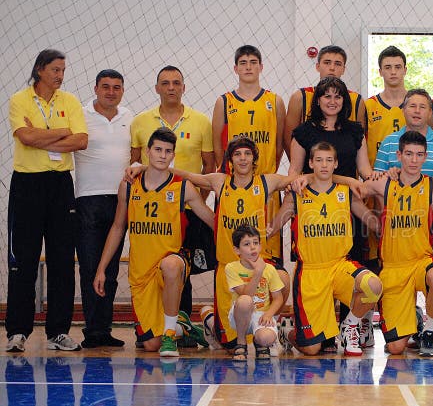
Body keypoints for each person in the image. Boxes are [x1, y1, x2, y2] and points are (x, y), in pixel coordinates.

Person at [127, 135, 292, 351]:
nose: (242, 159)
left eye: (247, 154)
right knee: (228, 344)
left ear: (254, 159)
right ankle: (208, 318)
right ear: (230, 160)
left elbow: (302, 180)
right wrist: (143, 167)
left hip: (255, 264)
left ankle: (270, 325)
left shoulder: (266, 181)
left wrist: (276, 224)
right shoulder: (219, 181)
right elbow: (186, 174)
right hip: (228, 268)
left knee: (282, 278)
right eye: (237, 154)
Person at [94, 127, 213, 357]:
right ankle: (183, 326)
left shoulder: (182, 188)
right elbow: (118, 228)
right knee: (150, 345)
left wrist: (242, 240)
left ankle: (170, 333)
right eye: (157, 149)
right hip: (141, 274)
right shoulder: (129, 186)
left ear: (173, 156)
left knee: (170, 265)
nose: (162, 155)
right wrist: (101, 269)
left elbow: (211, 219)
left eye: (168, 151)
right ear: (147, 151)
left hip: (173, 263)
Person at [357, 131, 433, 357]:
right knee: (396, 349)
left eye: (419, 155)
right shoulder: (383, 184)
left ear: (425, 157)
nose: (413, 160)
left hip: (421, 261)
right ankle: (414, 318)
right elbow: (352, 192)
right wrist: (372, 221)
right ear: (399, 155)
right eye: (408, 154)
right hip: (392, 268)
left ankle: (429, 332)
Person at [6, 49, 88, 353]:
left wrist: (47, 134)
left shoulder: (69, 101)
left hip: (60, 184)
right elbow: (25, 137)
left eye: (63, 70)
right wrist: (60, 133)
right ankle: (17, 331)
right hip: (27, 183)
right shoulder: (19, 99)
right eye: (55, 69)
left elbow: (80, 140)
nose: (60, 75)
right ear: (40, 69)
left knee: (63, 261)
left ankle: (58, 332)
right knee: (23, 260)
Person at [269, 142, 383, 357]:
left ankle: (350, 326)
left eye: (329, 160)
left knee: (373, 285)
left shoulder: (346, 193)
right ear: (310, 163)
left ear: (336, 164)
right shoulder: (297, 194)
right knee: (312, 350)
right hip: (311, 273)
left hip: (340, 266)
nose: (324, 165)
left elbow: (374, 224)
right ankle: (289, 334)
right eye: (319, 160)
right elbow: (274, 226)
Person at [373, 89, 433, 351]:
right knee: (396, 348)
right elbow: (372, 184)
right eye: (412, 105)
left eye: (423, 106)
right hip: (396, 236)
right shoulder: (390, 142)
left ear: (430, 112)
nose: (417, 111)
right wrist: (377, 218)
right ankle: (409, 319)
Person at [74, 69, 133, 348]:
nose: (111, 91)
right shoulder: (80, 115)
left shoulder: (129, 117)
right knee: (90, 266)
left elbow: (135, 155)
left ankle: (104, 328)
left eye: (117, 87)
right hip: (87, 199)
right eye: (106, 86)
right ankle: (92, 330)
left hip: (120, 201)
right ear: (96, 88)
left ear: (122, 90)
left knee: (108, 268)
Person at [211, 45, 285, 263]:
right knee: (232, 253)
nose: (248, 67)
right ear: (235, 68)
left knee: (266, 254)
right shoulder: (224, 102)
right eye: (243, 63)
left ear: (261, 67)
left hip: (264, 188)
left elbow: (278, 145)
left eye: (253, 62)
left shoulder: (275, 101)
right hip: (235, 188)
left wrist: (265, 178)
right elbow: (218, 147)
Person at [284, 44, 366, 150]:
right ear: (318, 66)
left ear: (343, 69)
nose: (332, 68)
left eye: (337, 64)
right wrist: (300, 165)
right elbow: (288, 139)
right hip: (309, 164)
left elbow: (360, 141)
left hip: (346, 164)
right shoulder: (300, 97)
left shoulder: (357, 100)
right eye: (327, 63)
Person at [225, 225, 286, 361]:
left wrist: (269, 314)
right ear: (237, 250)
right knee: (245, 300)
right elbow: (246, 294)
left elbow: (278, 298)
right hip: (240, 314)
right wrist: (258, 272)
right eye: (246, 244)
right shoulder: (232, 268)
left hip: (261, 315)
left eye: (256, 243)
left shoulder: (269, 269)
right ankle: (241, 342)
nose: (252, 247)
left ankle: (259, 343)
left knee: (266, 338)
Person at [364, 46, 407, 166]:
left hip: (412, 174)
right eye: (388, 67)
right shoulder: (368, 105)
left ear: (405, 70)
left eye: (397, 67)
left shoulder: (417, 104)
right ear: (380, 72)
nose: (393, 72)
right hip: (378, 175)